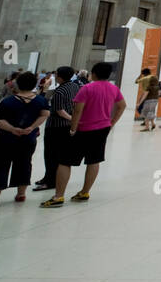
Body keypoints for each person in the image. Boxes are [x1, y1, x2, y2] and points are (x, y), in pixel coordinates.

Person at [41, 62, 126, 207]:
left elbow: (77, 110)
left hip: (83, 128)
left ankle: (58, 196)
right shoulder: (114, 88)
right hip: (102, 128)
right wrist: (112, 123)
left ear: (93, 73)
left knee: (65, 161)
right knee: (94, 160)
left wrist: (73, 128)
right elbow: (122, 106)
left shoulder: (87, 88)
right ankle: (84, 192)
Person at [0, 72, 48, 206]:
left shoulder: (8, 101)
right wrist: (32, 127)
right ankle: (21, 194)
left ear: (18, 84)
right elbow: (44, 114)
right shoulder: (40, 100)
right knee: (24, 164)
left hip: (6, 138)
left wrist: (12, 129)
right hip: (28, 138)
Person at [34, 66, 78, 192]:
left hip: (56, 127)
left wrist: (71, 118)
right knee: (59, 154)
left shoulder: (59, 91)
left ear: (59, 76)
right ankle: (48, 177)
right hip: (67, 127)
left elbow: (59, 111)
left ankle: (50, 180)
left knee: (51, 155)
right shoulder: (75, 86)